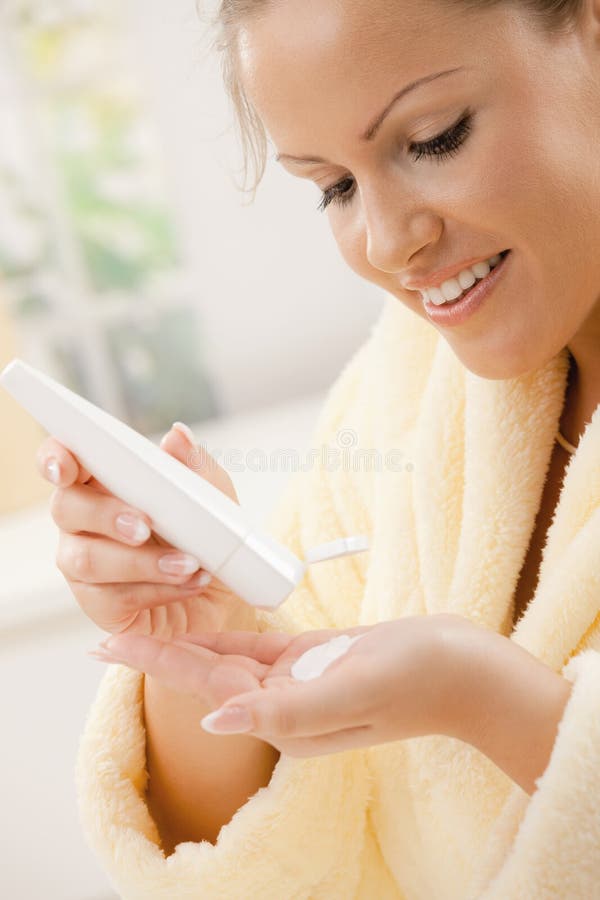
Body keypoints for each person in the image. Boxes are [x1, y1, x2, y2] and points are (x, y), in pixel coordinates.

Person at [36, 1, 600, 897]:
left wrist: (484, 700)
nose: (387, 243)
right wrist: (201, 635)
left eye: (434, 138)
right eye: (332, 187)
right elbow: (295, 865)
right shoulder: (406, 387)